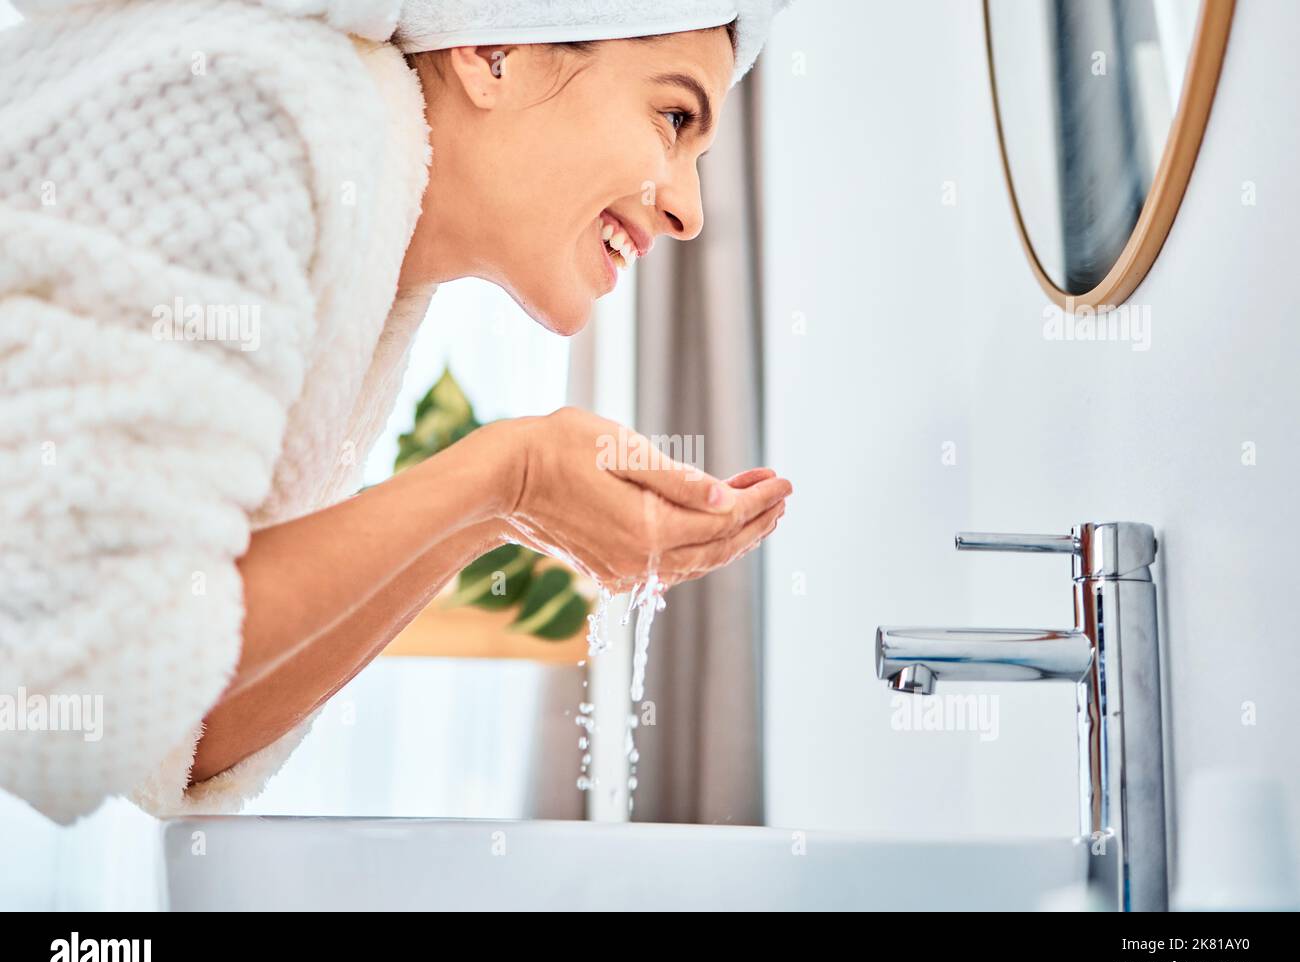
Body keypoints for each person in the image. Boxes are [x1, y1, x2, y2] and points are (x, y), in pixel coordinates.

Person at [0, 0, 792, 823]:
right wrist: (504, 475)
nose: (690, 211)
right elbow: (92, 670)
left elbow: (176, 733)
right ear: (493, 52)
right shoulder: (256, 109)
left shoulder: (373, 238)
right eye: (672, 116)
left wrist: (500, 503)